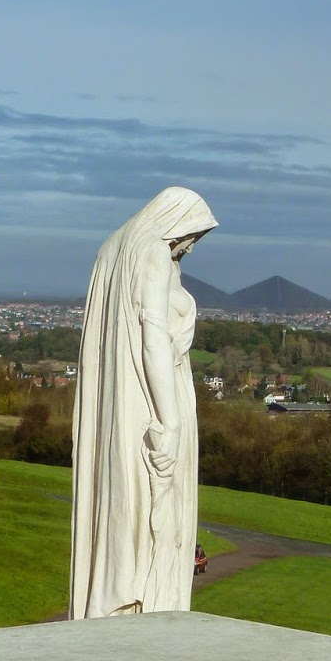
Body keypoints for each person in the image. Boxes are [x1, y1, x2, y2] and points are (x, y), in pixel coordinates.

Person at [69, 187, 217, 618]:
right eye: (193, 235)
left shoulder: (112, 249)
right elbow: (153, 338)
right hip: (156, 401)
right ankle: (149, 609)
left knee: (124, 507)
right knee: (153, 516)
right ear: (175, 220)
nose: (190, 247)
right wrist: (169, 422)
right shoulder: (152, 251)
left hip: (122, 411)